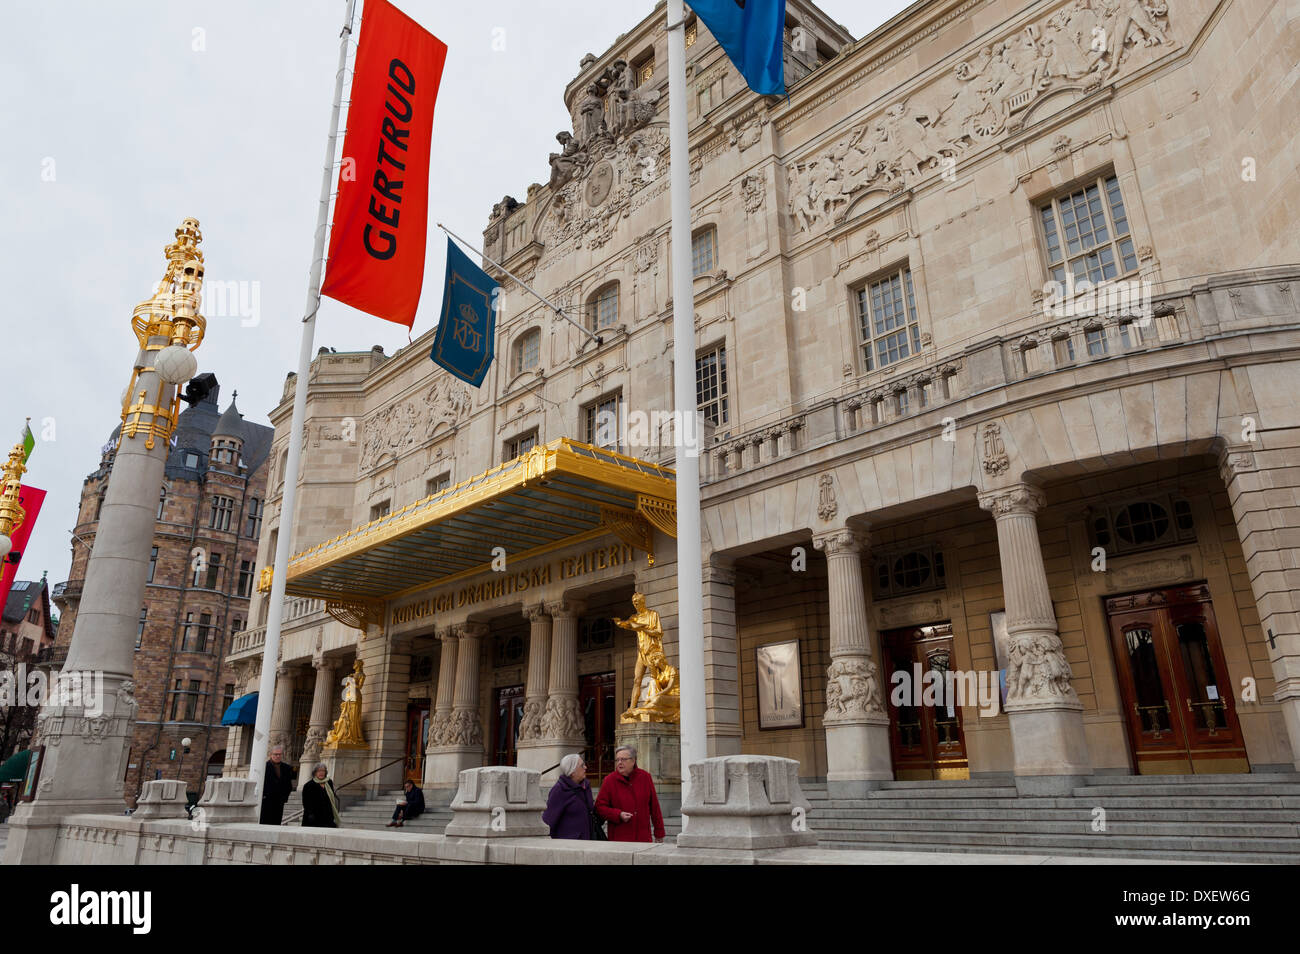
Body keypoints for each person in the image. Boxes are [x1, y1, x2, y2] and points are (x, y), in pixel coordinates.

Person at [594, 744, 665, 843]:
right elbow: (599, 807)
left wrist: (659, 833)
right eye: (617, 760)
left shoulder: (645, 777)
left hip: (643, 837)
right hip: (619, 838)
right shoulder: (609, 780)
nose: (619, 763)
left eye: (623, 759)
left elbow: (655, 807)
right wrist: (618, 814)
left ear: (633, 760)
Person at [542, 753, 595, 840]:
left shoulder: (586, 786)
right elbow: (549, 821)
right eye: (582, 765)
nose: (585, 767)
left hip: (587, 841)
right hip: (568, 844)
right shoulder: (559, 790)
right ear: (572, 771)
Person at [258, 745, 295, 825]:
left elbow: (289, 785)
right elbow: (261, 783)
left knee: (276, 823)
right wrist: (263, 796)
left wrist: (284, 798)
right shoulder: (264, 767)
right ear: (271, 754)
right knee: (265, 823)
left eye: (280, 754)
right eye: (275, 754)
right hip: (266, 801)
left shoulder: (287, 768)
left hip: (279, 802)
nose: (278, 756)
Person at [301, 762, 340, 828]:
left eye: (323, 771)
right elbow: (306, 802)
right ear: (315, 772)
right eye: (319, 771)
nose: (321, 773)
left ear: (325, 772)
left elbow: (331, 798)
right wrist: (310, 814)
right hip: (313, 817)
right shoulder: (308, 785)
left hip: (327, 817)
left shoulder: (329, 782)